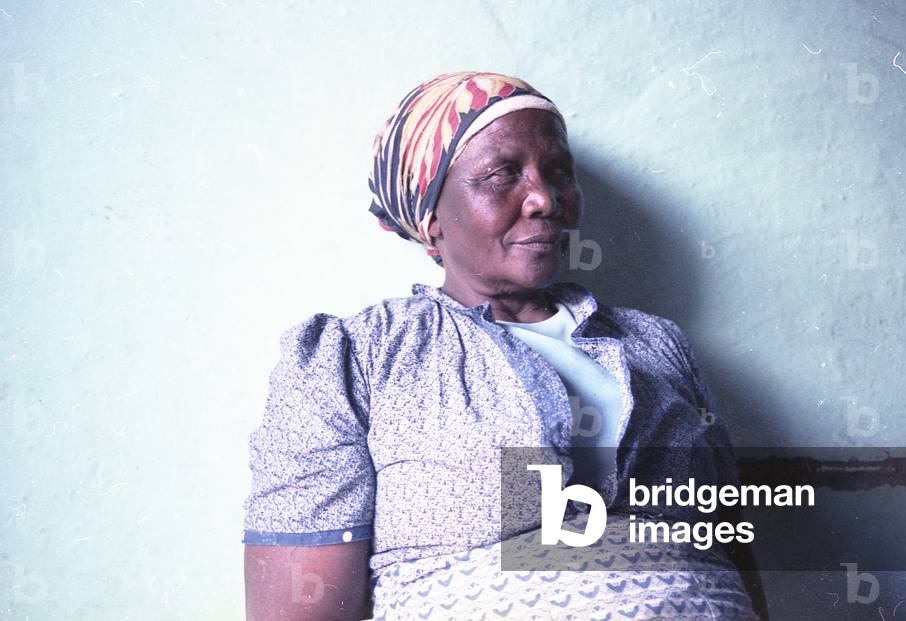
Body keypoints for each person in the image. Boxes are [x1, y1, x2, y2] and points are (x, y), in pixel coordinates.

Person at [242, 71, 767, 620]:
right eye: (501, 174)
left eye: (559, 172)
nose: (545, 199)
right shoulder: (355, 359)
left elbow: (729, 548)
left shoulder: (657, 344)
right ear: (430, 214)